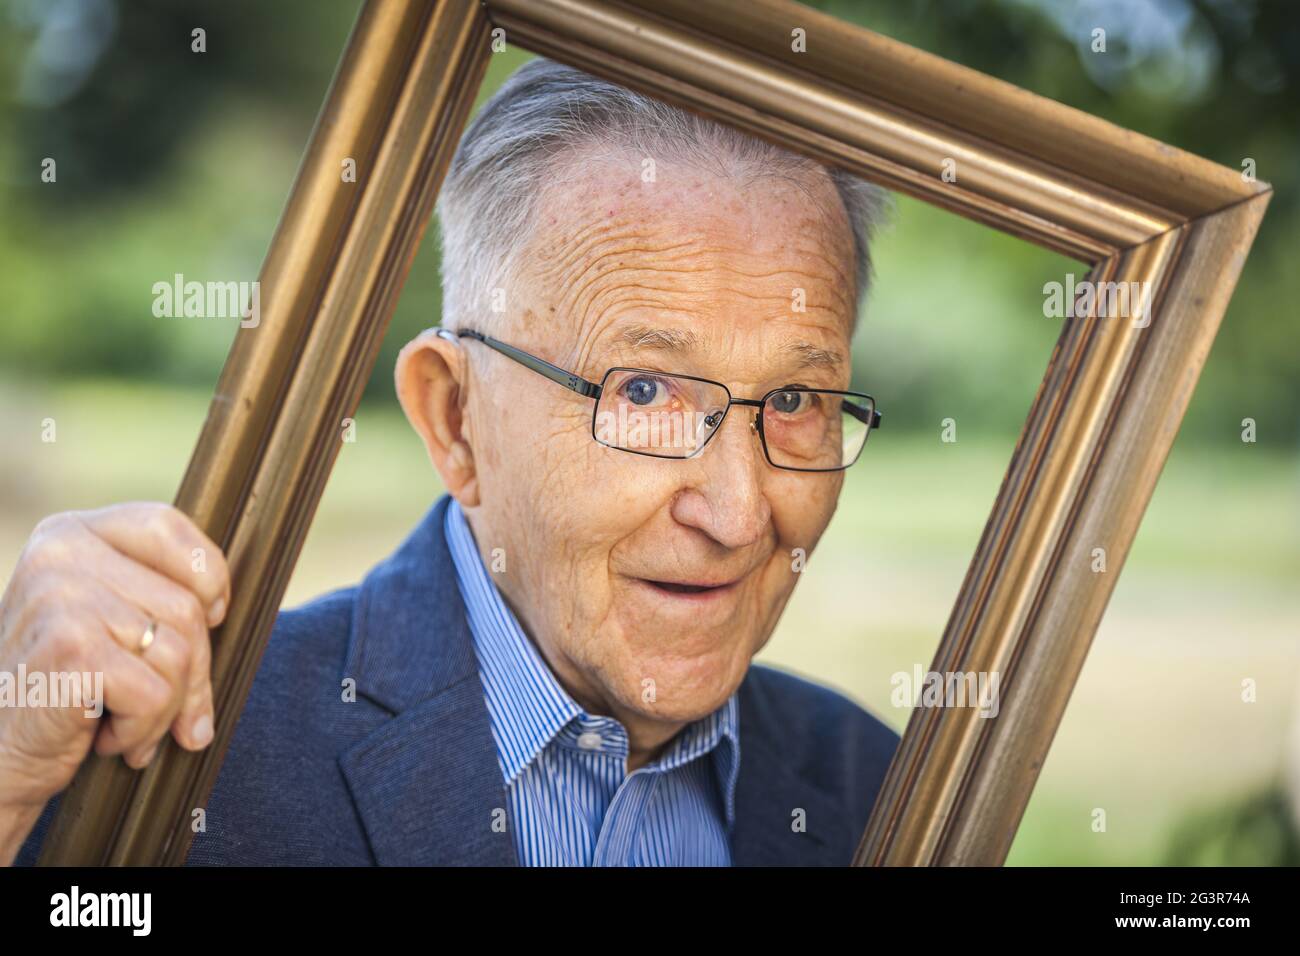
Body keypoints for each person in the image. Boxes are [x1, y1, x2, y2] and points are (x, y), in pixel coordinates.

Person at [2, 57, 897, 866]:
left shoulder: (888, 794)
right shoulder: (157, 763)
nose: (737, 515)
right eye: (644, 392)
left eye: (794, 402)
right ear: (455, 419)